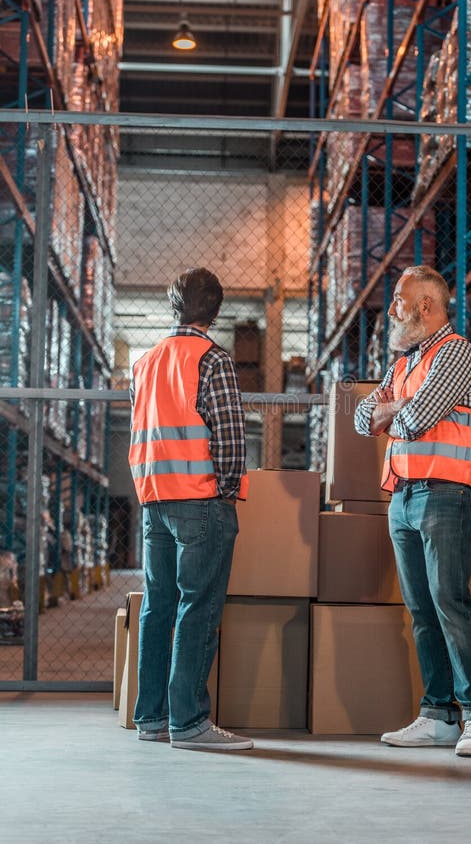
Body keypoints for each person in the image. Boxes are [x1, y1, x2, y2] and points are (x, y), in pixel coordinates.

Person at [354, 265, 471, 757]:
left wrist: (392, 409)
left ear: (426, 305)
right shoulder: (405, 362)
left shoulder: (457, 353)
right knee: (421, 609)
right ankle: (439, 715)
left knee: (449, 601)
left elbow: (417, 418)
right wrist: (395, 407)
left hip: (446, 493)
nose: (392, 308)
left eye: (399, 299)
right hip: (402, 496)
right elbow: (362, 418)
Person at [128, 267, 253, 752]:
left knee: (158, 607)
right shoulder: (212, 359)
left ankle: (152, 718)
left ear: (174, 307)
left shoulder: (146, 362)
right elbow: (228, 437)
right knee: (197, 607)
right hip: (200, 500)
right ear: (215, 311)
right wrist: (224, 492)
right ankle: (191, 723)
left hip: (153, 500)